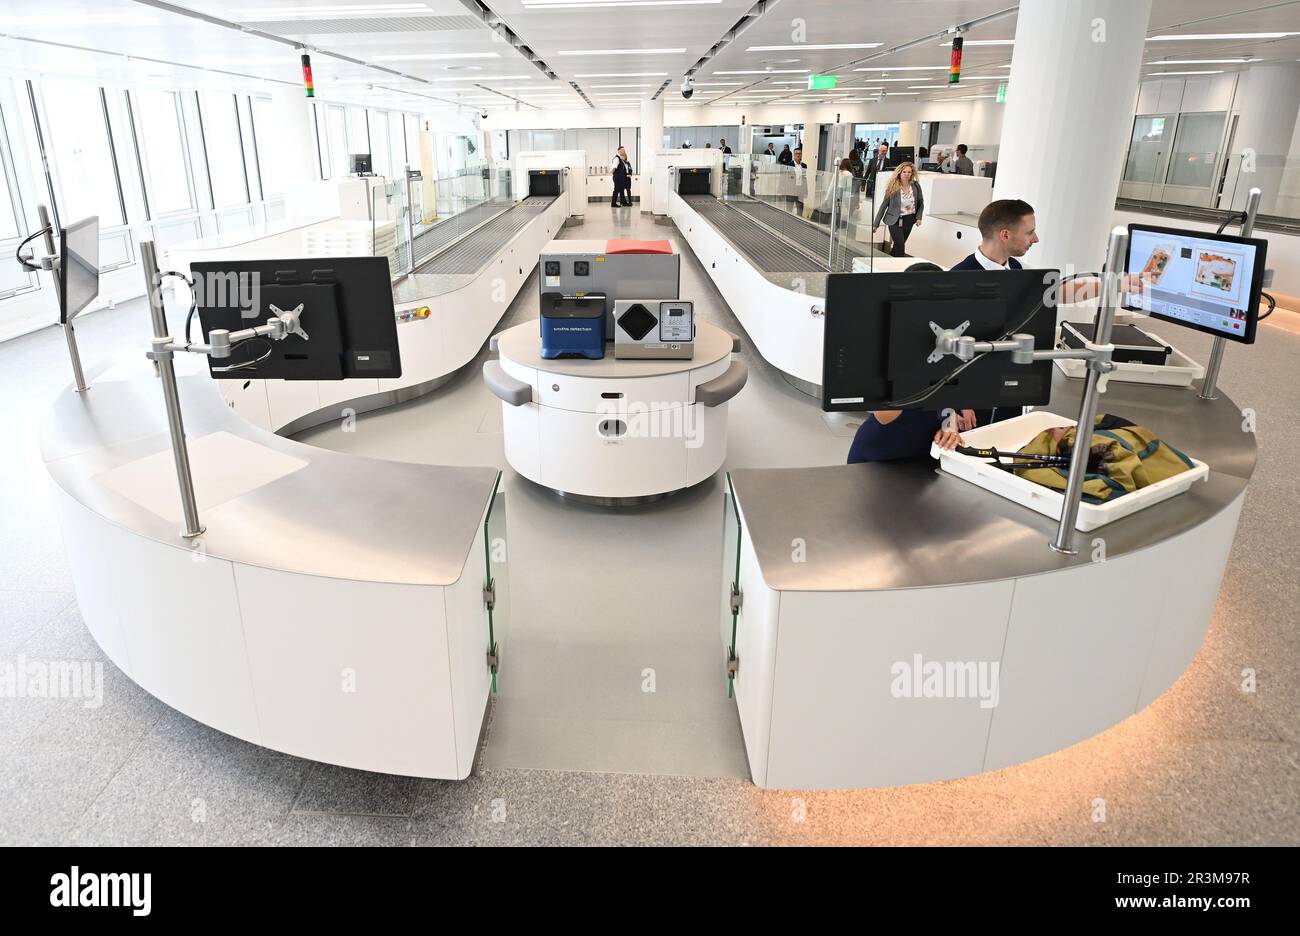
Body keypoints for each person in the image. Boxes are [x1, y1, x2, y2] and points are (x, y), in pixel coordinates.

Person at [846, 261, 969, 463]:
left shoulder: (949, 343)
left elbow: (948, 401)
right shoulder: (888, 345)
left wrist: (949, 426)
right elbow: (885, 416)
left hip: (924, 458)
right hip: (879, 458)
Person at [952, 199, 1150, 302]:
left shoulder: (1016, 268)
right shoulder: (958, 279)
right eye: (1029, 233)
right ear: (1005, 235)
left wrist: (1115, 284)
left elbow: (1058, 292)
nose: (1035, 239)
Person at [872, 160, 923, 258]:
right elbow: (884, 205)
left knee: (897, 246)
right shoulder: (893, 186)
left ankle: (889, 263)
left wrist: (919, 217)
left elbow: (921, 202)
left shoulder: (915, 185)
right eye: (904, 172)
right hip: (894, 221)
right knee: (900, 246)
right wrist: (876, 224)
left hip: (909, 220)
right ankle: (899, 269)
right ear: (899, 172)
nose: (907, 174)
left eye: (909, 172)